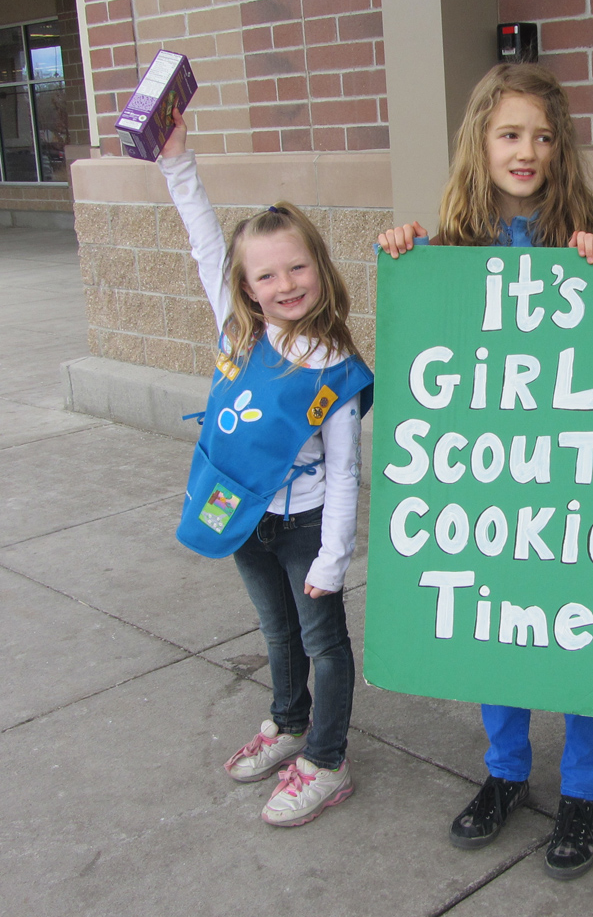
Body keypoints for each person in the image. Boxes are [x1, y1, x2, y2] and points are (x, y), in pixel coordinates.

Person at [377, 62, 593, 879]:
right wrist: (407, 255)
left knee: (580, 621)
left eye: (543, 138)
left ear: (560, 150)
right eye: (511, 134)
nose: (527, 151)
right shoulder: (451, 251)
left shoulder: (584, 242)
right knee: (494, 618)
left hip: (570, 474)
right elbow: (426, 346)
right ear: (480, 141)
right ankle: (506, 770)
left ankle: (584, 788)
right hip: (488, 474)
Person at [158, 110, 372, 828]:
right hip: (244, 517)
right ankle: (286, 721)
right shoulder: (239, 328)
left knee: (322, 642)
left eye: (298, 266)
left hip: (309, 524)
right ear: (246, 287)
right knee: (276, 634)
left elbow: (344, 472)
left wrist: (334, 556)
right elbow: (203, 243)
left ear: (321, 267)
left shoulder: (334, 368)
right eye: (267, 273)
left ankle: (327, 755)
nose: (285, 283)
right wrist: (176, 161)